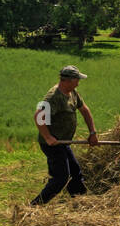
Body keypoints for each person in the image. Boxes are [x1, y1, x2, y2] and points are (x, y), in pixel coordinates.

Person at [32, 65, 99, 205]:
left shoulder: (72, 92)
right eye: (77, 80)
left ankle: (80, 201)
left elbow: (85, 110)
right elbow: (38, 116)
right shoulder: (53, 97)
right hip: (53, 144)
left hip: (64, 142)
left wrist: (92, 132)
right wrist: (48, 137)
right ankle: (35, 206)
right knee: (61, 178)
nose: (79, 83)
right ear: (68, 80)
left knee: (75, 172)